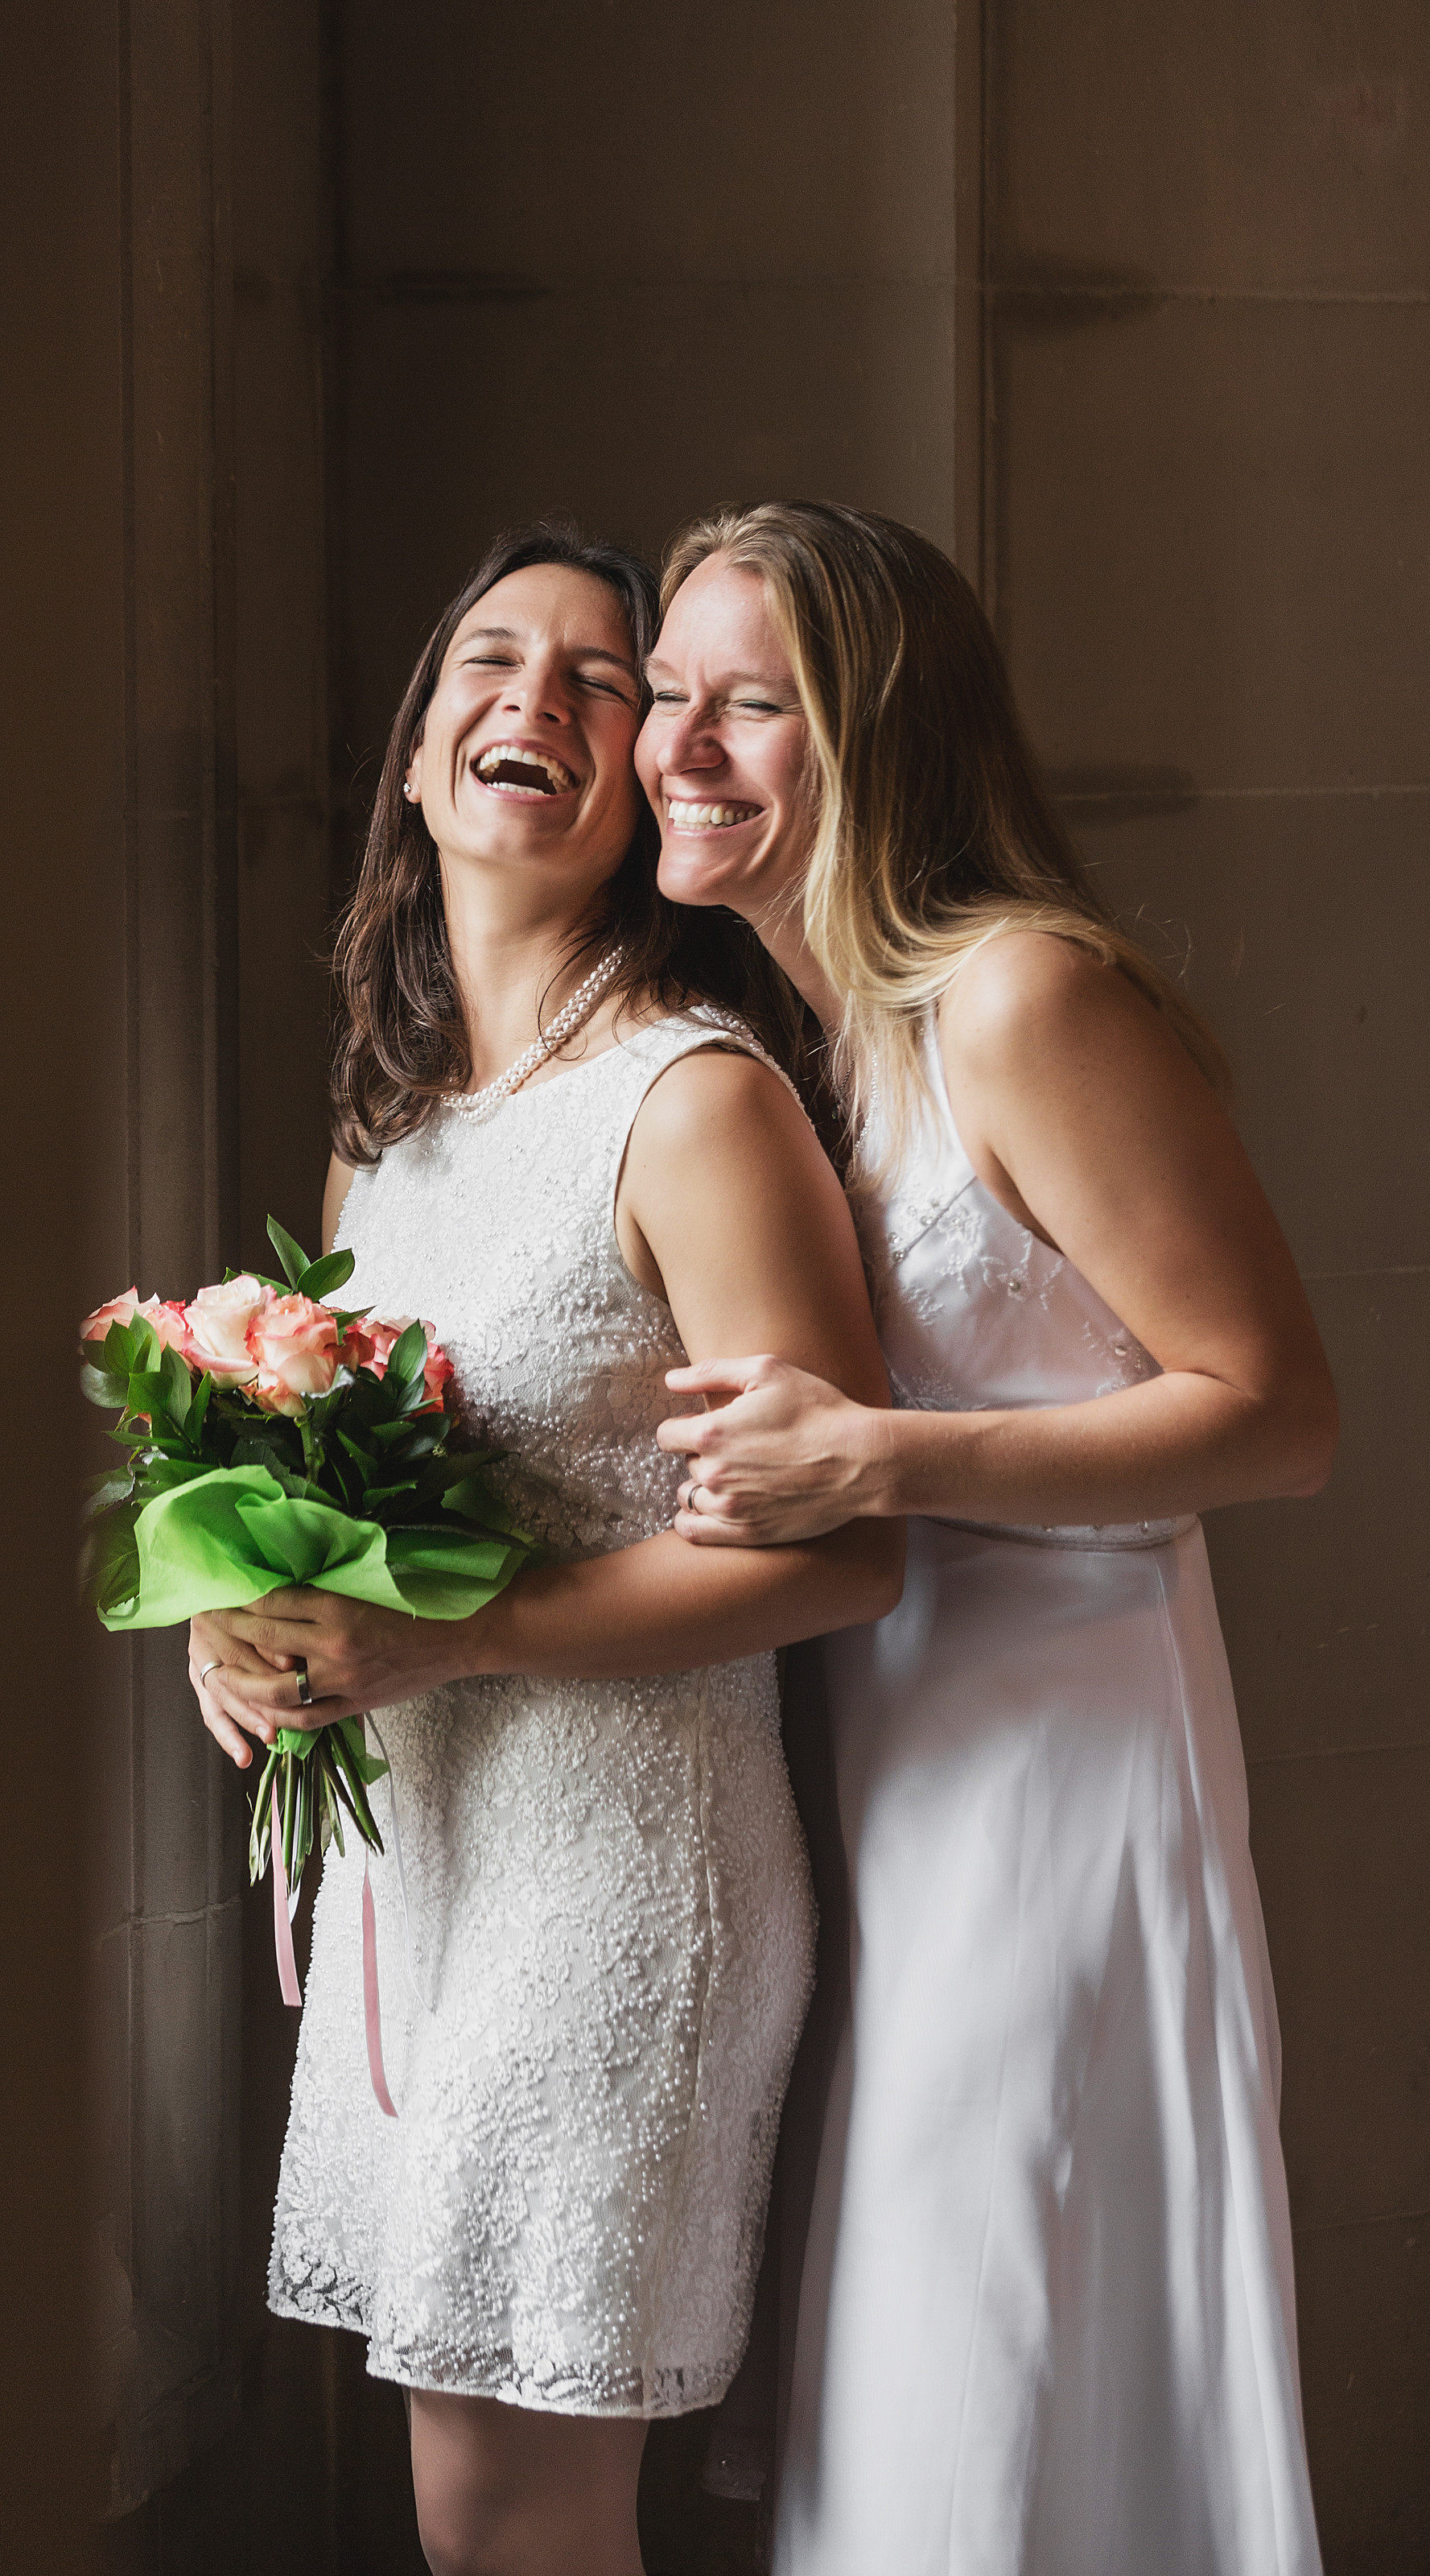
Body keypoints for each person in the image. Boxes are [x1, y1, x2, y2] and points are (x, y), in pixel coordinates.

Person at [187, 518, 900, 2576]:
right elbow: (313, 1497)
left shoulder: (693, 1105)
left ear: (636, 790)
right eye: (492, 663)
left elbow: (848, 1558)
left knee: (518, 2521)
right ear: (418, 759)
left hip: (617, 1871)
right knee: (467, 2513)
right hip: (434, 1869)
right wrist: (235, 1620)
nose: (546, 701)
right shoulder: (387, 1127)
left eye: (605, 682)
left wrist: (447, 1641)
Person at [637, 501, 1337, 2576]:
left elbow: (1276, 1413)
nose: (679, 744)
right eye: (668, 691)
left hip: (1063, 1782)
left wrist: (876, 1461)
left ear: (881, 741)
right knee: (913, 2373)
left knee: (996, 2360)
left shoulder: (1018, 1001)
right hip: (887, 1776)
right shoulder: (788, 1047)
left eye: (749, 705)